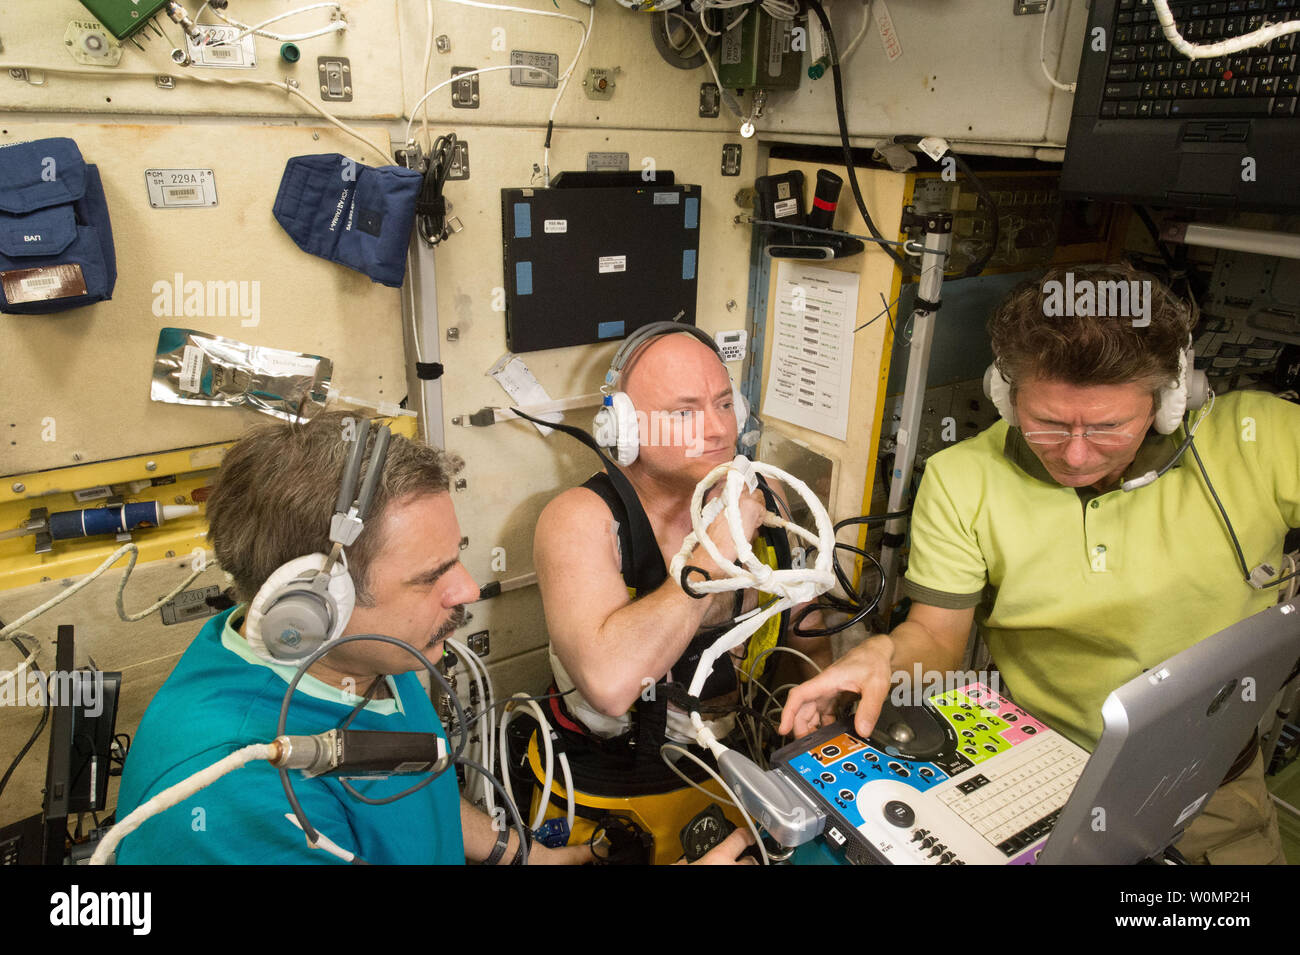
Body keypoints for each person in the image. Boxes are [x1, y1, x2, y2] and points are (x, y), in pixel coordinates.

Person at [781, 264, 1299, 865]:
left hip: (1216, 788)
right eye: (1049, 424)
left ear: (1169, 400)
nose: (1076, 454)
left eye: (1108, 427)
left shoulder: (1260, 440)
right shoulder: (962, 479)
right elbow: (936, 638)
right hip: (1043, 772)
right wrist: (886, 654)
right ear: (1005, 394)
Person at [116, 411, 590, 864]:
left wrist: (521, 855)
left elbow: (405, 796)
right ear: (317, 603)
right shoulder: (239, 793)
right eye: (430, 577)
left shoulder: (363, 657)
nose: (467, 589)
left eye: (456, 556)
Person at [533, 324, 829, 861]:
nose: (717, 429)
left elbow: (805, 630)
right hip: (617, 783)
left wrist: (817, 711)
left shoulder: (765, 497)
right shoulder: (579, 521)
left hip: (738, 764)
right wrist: (710, 553)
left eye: (724, 403)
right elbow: (611, 685)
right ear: (624, 428)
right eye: (684, 412)